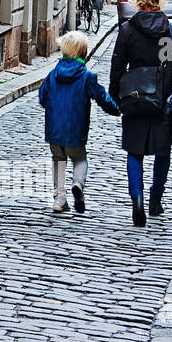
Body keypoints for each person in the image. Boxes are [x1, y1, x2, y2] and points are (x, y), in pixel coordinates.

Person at [108, 0, 172, 227]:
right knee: (162, 151)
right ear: (159, 0)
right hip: (163, 98)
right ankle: (155, 199)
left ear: (139, 1)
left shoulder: (127, 30)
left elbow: (117, 67)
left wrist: (116, 99)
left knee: (135, 152)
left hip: (134, 98)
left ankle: (137, 198)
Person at [38, 30, 121, 214]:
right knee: (79, 159)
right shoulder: (87, 77)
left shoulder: (53, 74)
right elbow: (102, 97)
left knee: (58, 161)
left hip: (54, 131)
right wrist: (115, 109)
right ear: (84, 53)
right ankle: (78, 184)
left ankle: (59, 199)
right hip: (76, 131)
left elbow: (42, 96)